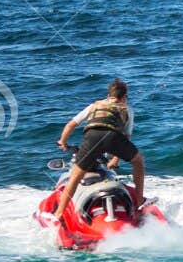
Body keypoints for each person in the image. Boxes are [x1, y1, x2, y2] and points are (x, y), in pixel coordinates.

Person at [56, 78, 145, 210]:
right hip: (113, 138)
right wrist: (115, 159)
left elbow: (71, 124)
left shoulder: (94, 105)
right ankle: (139, 201)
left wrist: (63, 142)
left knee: (75, 176)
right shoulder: (127, 109)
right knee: (138, 161)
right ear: (125, 97)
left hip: (92, 137)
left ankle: (59, 213)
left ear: (109, 95)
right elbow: (126, 136)